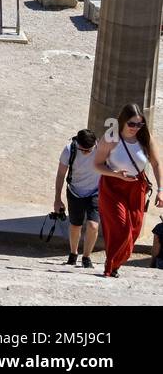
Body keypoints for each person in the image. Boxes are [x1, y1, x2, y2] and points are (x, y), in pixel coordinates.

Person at [92, 104, 162, 278]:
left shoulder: (145, 138)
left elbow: (156, 164)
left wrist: (161, 189)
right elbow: (97, 165)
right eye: (132, 124)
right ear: (122, 121)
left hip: (136, 187)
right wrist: (115, 173)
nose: (135, 128)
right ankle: (110, 266)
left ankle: (116, 263)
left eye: (139, 125)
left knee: (135, 229)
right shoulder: (110, 138)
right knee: (121, 227)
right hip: (112, 187)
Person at [53, 128, 100, 268]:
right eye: (83, 149)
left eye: (89, 150)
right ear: (77, 143)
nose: (86, 152)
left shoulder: (101, 149)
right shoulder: (69, 150)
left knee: (93, 225)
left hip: (95, 192)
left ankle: (86, 257)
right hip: (74, 191)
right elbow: (61, 174)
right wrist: (57, 199)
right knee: (75, 225)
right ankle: (73, 254)